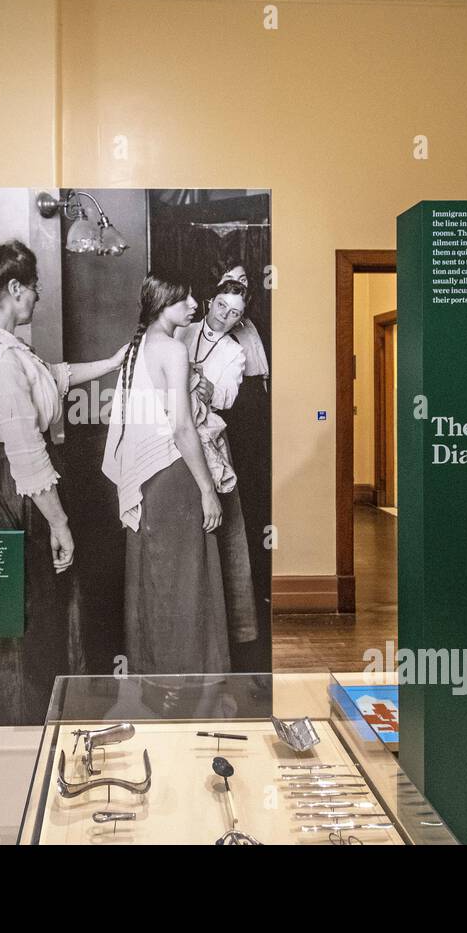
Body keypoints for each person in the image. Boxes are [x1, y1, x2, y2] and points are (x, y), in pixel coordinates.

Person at [0, 239, 127, 724]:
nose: (38, 296)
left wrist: (112, 365)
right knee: (39, 604)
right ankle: (41, 715)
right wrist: (60, 522)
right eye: (33, 288)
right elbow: (27, 453)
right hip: (19, 488)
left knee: (16, 605)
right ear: (13, 289)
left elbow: (52, 377)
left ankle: (36, 710)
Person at [102, 274, 235, 675]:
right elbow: (180, 427)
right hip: (175, 473)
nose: (196, 304)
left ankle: (157, 679)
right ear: (164, 300)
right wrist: (208, 491)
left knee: (157, 578)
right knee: (185, 582)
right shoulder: (172, 350)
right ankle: (188, 682)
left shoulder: (138, 347)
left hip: (148, 479)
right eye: (187, 297)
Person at [179, 273, 261, 655]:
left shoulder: (235, 352)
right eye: (222, 307)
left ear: (240, 320)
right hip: (174, 430)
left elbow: (224, 399)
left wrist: (194, 380)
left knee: (223, 528)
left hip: (209, 432)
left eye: (235, 314)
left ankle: (226, 630)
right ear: (210, 302)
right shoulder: (183, 328)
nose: (225, 317)